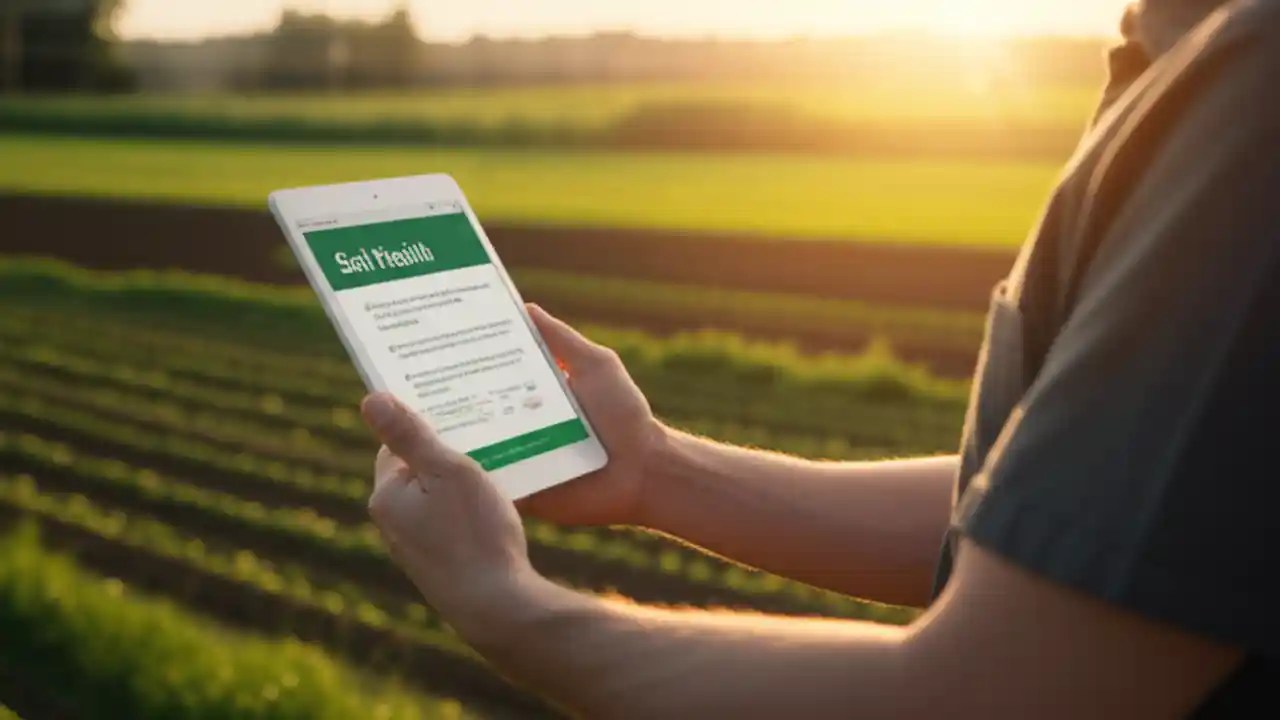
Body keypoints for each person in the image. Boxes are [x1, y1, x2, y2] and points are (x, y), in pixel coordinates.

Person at [357, 0, 1279, 716]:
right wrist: (657, 473)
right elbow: (1098, 517)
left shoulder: (1254, 85)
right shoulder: (1186, 56)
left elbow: (986, 699)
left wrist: (502, 604)